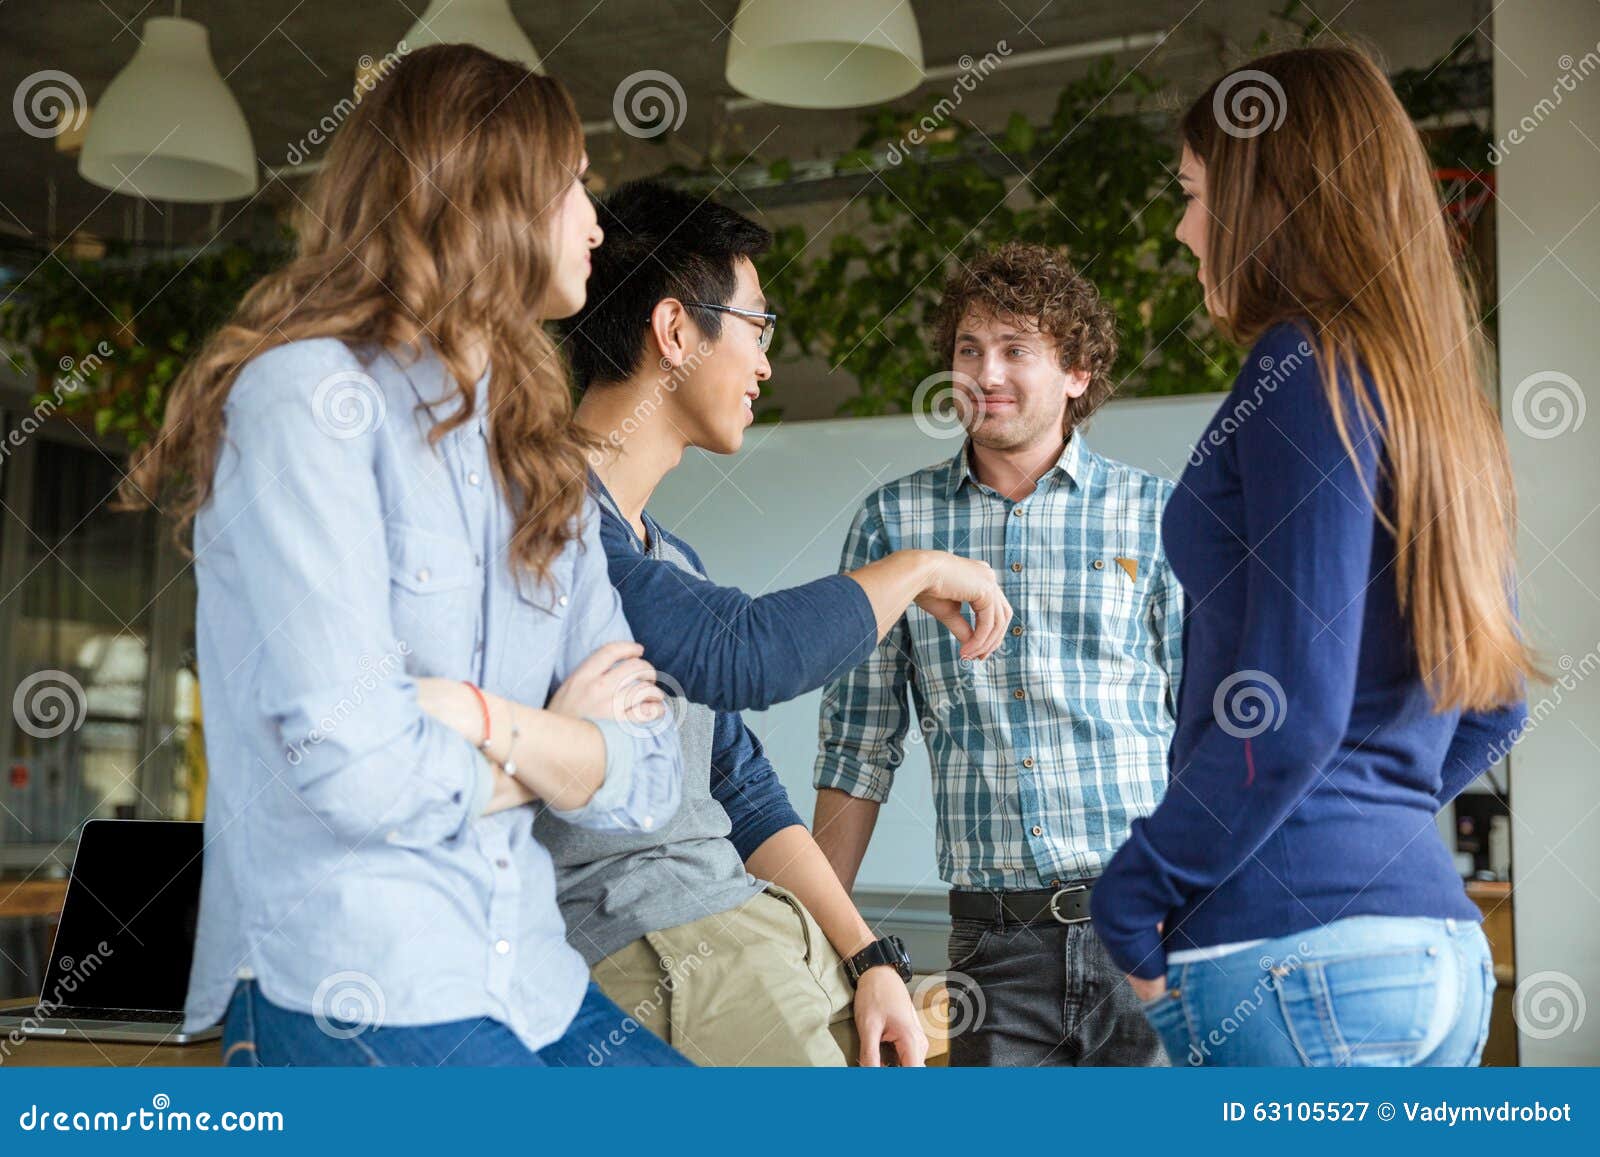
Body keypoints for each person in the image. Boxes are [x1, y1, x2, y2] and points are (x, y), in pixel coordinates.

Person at [124, 45, 687, 1067]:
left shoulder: (534, 454)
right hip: (356, 976)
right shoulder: (304, 400)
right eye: (572, 186)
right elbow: (360, 769)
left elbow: (651, 773)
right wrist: (560, 747)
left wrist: (485, 720)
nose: (596, 222)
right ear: (490, 192)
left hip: (534, 981)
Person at [1089, 44, 1533, 1067]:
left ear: (1268, 199)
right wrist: (1363, 834)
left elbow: (1287, 698)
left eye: (1196, 195)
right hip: (1435, 955)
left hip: (1290, 961)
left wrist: (1138, 881)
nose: (1182, 227)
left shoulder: (1298, 365)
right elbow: (1495, 700)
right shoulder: (1432, 400)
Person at [548, 180, 1013, 1066]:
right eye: (757, 325)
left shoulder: (669, 559)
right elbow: (745, 651)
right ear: (676, 331)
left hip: (754, 932)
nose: (766, 361)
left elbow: (743, 789)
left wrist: (868, 954)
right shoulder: (550, 520)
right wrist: (916, 568)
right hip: (660, 951)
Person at [813, 242, 1184, 1067]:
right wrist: (828, 936)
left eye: (1016, 349)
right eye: (968, 349)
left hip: (1152, 921)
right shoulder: (893, 525)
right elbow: (858, 746)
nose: (986, 373)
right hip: (994, 944)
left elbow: (1209, 729)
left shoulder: (1155, 514)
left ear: (1078, 371)